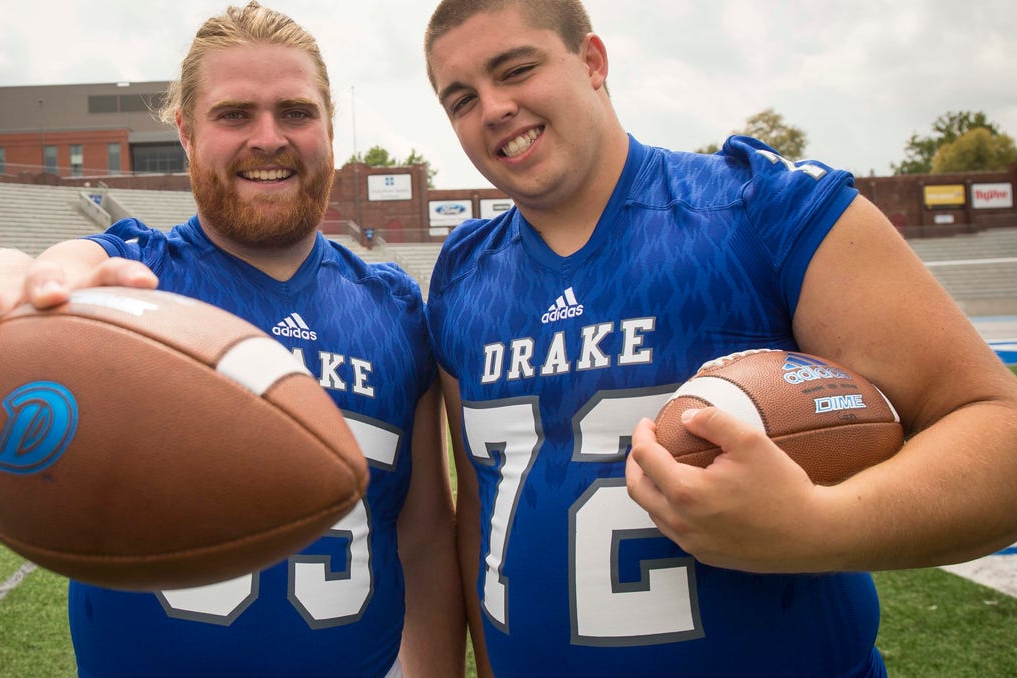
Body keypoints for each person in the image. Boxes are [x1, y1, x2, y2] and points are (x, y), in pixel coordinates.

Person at [422, 1, 1017, 676]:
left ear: (591, 62)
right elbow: (481, 510)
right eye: (461, 98)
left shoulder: (756, 208)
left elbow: (1001, 436)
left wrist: (821, 525)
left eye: (517, 69)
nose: (493, 107)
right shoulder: (463, 276)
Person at [0, 3, 464, 676]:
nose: (269, 137)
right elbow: (41, 272)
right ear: (184, 131)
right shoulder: (134, 282)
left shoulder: (395, 308)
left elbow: (425, 535)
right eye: (234, 115)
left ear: (329, 126)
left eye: (295, 111)